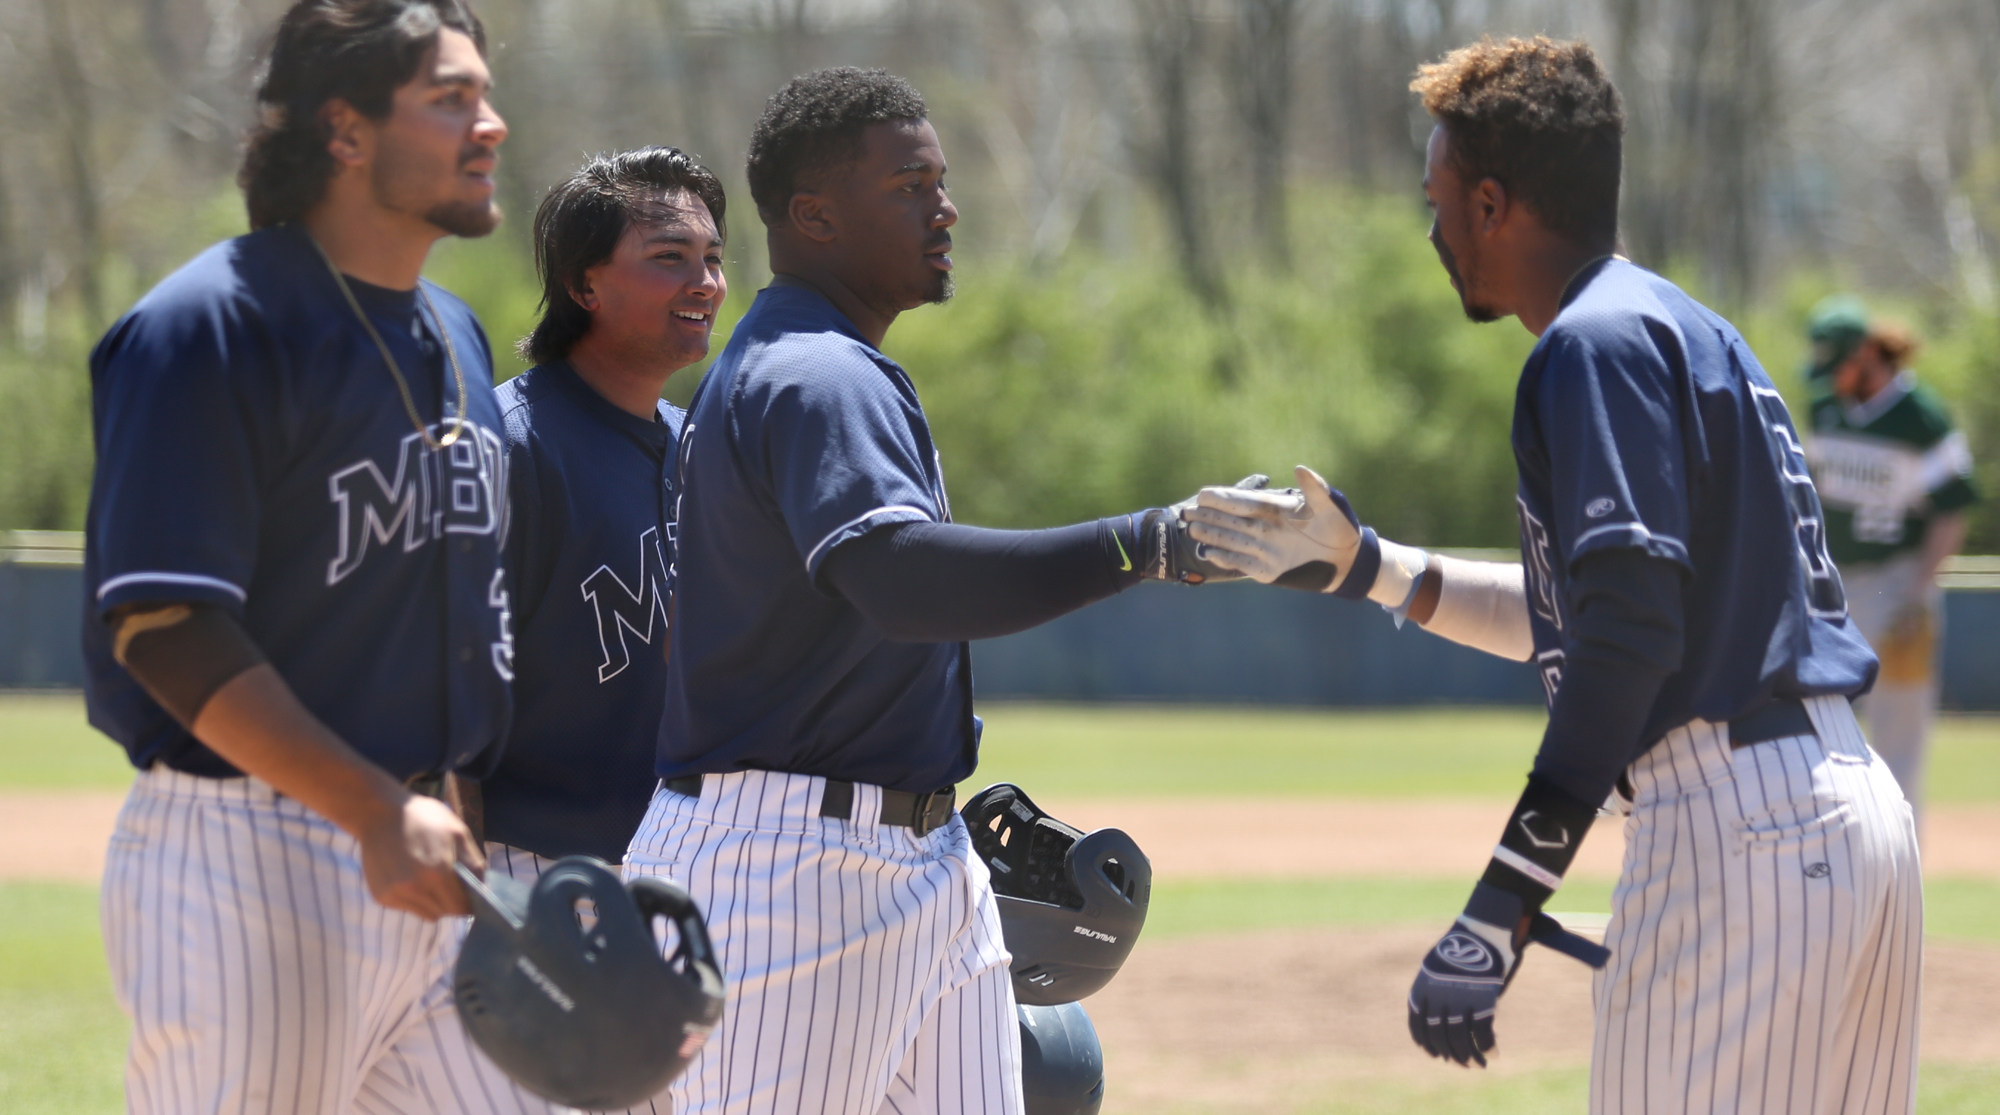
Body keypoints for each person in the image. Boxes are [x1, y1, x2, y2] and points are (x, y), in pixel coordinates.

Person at [1184, 37, 1920, 1115]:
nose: (1430, 228)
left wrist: (1503, 897)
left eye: (1435, 198)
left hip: (1737, 832)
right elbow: (1590, 622)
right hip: (1840, 813)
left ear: (1490, 203)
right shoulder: (1681, 326)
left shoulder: (1588, 347)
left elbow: (1626, 639)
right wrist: (1373, 568)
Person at [623, 67, 1241, 1115]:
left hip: (901, 855)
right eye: (909, 184)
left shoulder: (818, 364)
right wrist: (1145, 541)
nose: (944, 207)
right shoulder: (817, 375)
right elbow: (898, 580)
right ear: (814, 215)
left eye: (940, 181)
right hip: (792, 871)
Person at [80, 2, 552, 1110]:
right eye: (451, 99)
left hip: (434, 861)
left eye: (484, 94)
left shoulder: (454, 333)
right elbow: (164, 622)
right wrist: (371, 808)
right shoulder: (207, 325)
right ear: (344, 131)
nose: (490, 124)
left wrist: (446, 796)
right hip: (254, 852)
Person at [480, 146, 726, 881]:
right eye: (669, 256)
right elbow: (430, 688)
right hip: (528, 864)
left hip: (686, 863)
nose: (705, 282)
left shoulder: (705, 447)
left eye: (713, 258)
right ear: (583, 283)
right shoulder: (510, 447)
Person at [1803, 296, 1978, 822]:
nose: (1832, 377)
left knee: (1899, 744)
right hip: (1831, 586)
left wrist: (1918, 590)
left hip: (1895, 580)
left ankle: (1903, 883)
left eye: (1841, 365)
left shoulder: (1920, 417)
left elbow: (1953, 511)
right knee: (1808, 735)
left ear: (1868, 355)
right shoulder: (1825, 409)